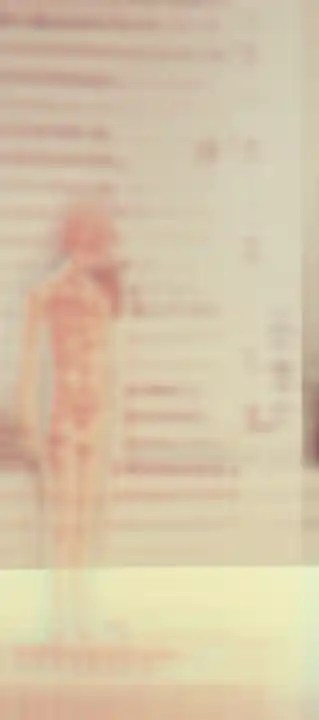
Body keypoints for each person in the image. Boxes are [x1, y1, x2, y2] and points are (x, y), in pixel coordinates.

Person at [17, 197, 124, 643]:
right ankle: (60, 615)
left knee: (86, 521)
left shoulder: (104, 294)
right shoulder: (49, 292)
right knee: (65, 520)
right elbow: (29, 363)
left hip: (94, 415)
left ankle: (81, 612)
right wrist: (29, 421)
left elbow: (114, 362)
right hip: (63, 416)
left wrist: (118, 428)